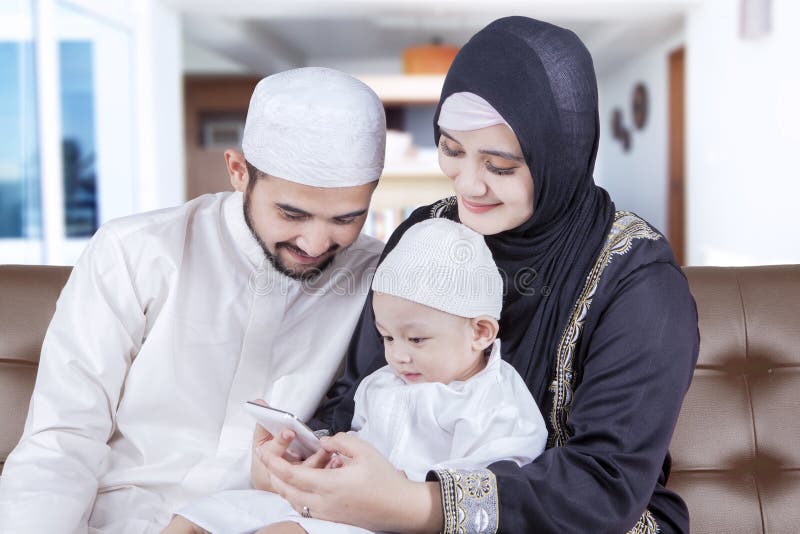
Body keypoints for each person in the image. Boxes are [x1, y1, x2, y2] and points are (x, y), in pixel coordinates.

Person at [253, 17, 700, 534]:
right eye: (451, 149)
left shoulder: (639, 283)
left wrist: (413, 505)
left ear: (564, 154)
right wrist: (313, 455)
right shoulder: (427, 229)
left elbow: (603, 486)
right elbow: (360, 391)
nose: (469, 185)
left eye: (501, 166)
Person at [0, 67, 387, 534]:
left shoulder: (382, 278)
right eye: (291, 213)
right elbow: (62, 439)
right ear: (238, 171)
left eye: (346, 219)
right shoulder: (135, 250)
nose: (315, 242)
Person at [162, 218, 548, 534]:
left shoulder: (493, 401)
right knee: (202, 515)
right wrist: (317, 453)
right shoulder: (380, 385)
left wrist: (402, 490)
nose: (397, 354)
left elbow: (493, 488)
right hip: (340, 505)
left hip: (395, 523)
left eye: (416, 339)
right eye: (387, 337)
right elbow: (362, 440)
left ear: (480, 332)